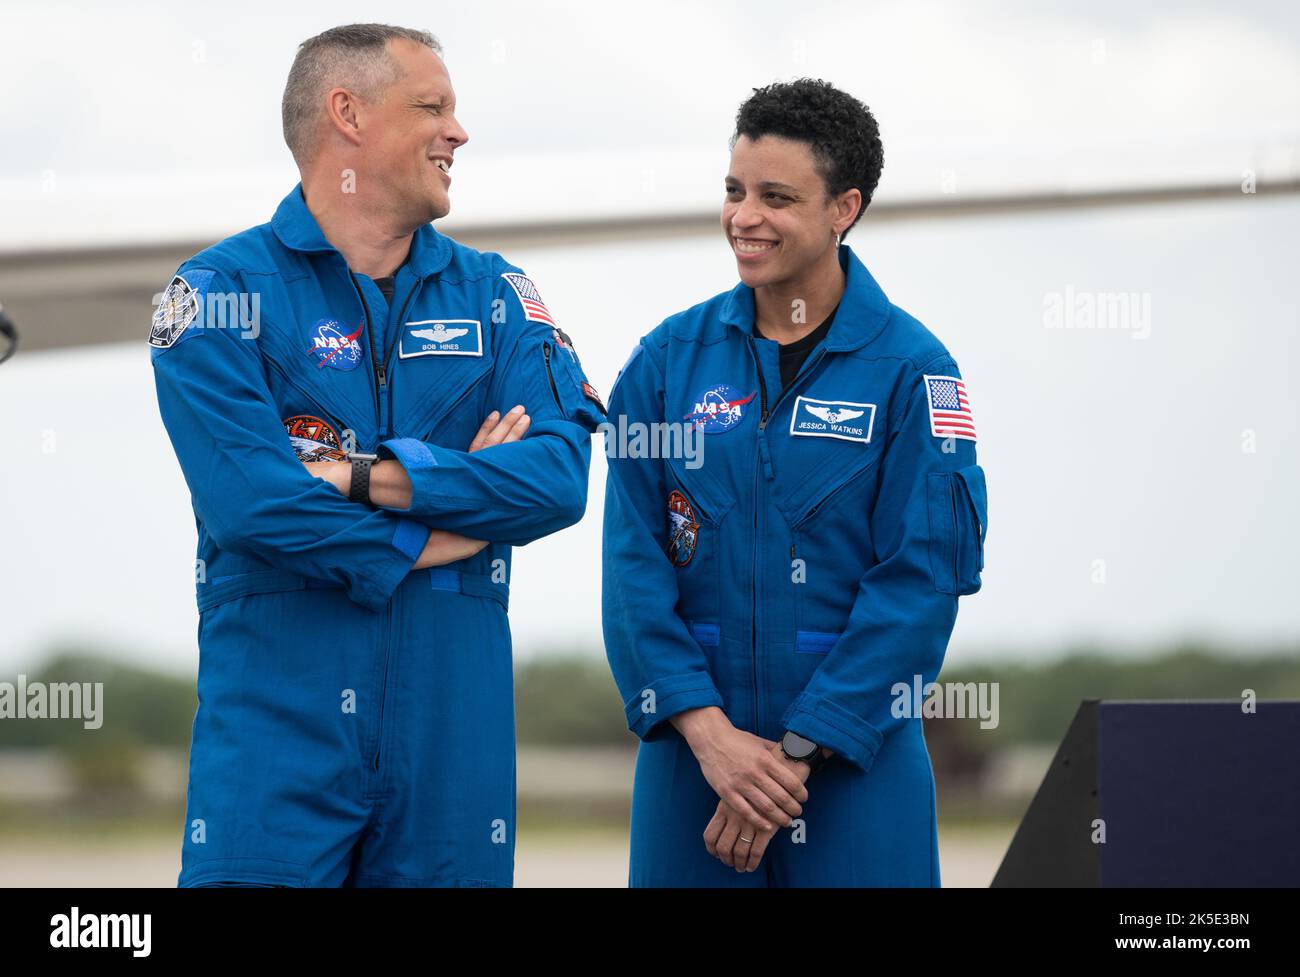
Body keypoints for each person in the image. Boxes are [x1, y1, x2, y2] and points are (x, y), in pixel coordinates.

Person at [150, 23, 605, 887]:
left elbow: (557, 477)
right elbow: (256, 504)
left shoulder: (498, 295)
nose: (458, 133)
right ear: (347, 115)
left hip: (453, 752)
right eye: (432, 107)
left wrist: (368, 478)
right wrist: (443, 529)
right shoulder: (214, 297)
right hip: (276, 748)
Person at [602, 78, 988, 886]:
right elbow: (632, 570)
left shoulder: (914, 373)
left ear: (843, 208)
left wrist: (791, 757)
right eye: (735, 191)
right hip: (690, 766)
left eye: (776, 197)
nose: (745, 217)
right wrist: (712, 741)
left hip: (855, 764)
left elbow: (920, 586)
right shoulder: (665, 365)